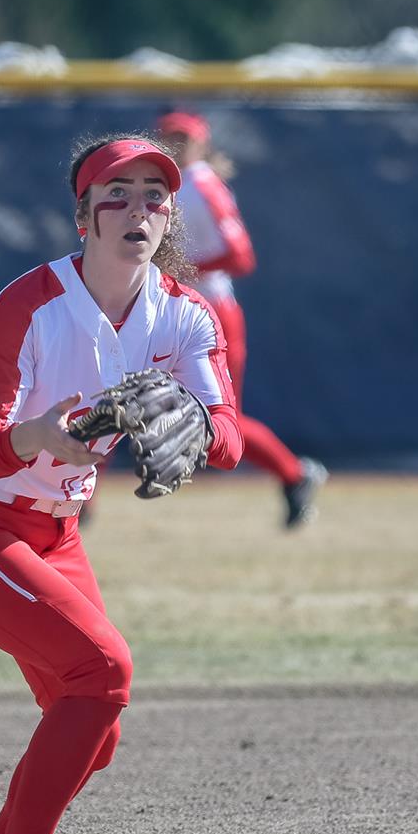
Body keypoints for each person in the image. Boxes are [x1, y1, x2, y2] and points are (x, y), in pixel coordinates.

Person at [0, 134, 243, 834]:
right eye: (116, 194)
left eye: (154, 195)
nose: (137, 209)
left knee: (98, 727)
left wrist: (193, 414)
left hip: (55, 531)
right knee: (103, 671)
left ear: (170, 218)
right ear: (83, 215)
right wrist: (38, 437)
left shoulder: (185, 313)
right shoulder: (29, 305)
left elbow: (227, 438)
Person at [156, 110, 328, 528]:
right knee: (120, 391)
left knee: (219, 421)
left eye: (185, 137)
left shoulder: (200, 183)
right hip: (166, 308)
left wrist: (179, 268)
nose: (177, 145)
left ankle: (295, 474)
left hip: (210, 312)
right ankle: (82, 502)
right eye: (169, 137)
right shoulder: (162, 185)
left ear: (201, 143)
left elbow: (241, 256)